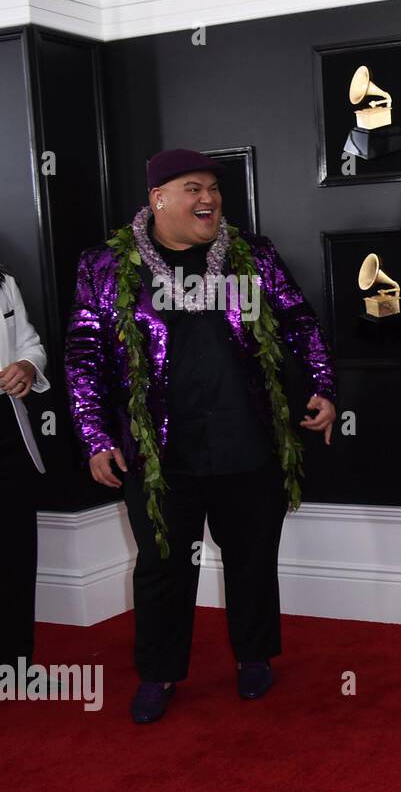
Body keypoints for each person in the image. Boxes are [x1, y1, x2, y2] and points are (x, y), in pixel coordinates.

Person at [65, 148, 338, 723]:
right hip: (158, 451)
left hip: (247, 441)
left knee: (252, 558)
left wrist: (323, 385)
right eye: (192, 188)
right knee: (162, 565)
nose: (208, 199)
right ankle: (160, 672)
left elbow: (299, 323)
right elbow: (84, 356)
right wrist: (94, 435)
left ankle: (255, 657)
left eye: (212, 187)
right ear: (157, 198)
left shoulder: (251, 256)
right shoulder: (105, 266)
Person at [0, 261, 50, 676]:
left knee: (16, 548)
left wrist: (28, 367)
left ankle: (15, 662)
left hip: (8, 431)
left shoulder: (5, 281)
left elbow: (30, 342)